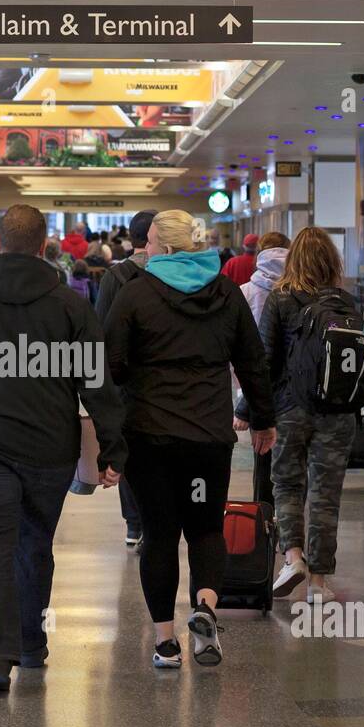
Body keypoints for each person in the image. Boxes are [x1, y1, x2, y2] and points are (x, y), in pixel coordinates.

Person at [0, 204, 126, 692]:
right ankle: (31, 644)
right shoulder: (70, 305)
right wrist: (112, 450)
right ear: (44, 247)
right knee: (34, 544)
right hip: (48, 447)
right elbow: (97, 384)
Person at [105, 210, 275, 668]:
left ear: (164, 247)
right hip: (208, 438)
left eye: (152, 242)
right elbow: (252, 361)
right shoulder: (226, 293)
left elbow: (111, 366)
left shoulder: (134, 294)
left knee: (159, 536)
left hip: (150, 438)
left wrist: (107, 435)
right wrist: (264, 419)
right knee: (204, 529)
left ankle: (164, 642)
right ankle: (204, 607)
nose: (146, 249)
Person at [252, 228, 359, 604]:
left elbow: (264, 361)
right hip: (338, 411)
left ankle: (293, 557)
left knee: (287, 484)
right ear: (332, 262)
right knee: (326, 495)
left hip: (290, 409)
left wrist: (252, 414)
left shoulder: (280, 300)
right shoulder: (346, 301)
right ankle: (318, 583)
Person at [96, 208, 156, 549]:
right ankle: (153, 518)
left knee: (127, 448)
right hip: (159, 376)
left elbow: (101, 329)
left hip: (123, 379)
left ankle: (133, 524)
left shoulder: (113, 278)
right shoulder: (170, 275)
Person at [235, 230, 291, 504]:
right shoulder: (299, 292)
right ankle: (291, 519)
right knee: (293, 457)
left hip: (256, 384)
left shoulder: (245, 292)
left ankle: (265, 517)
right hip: (293, 387)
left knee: (263, 451)